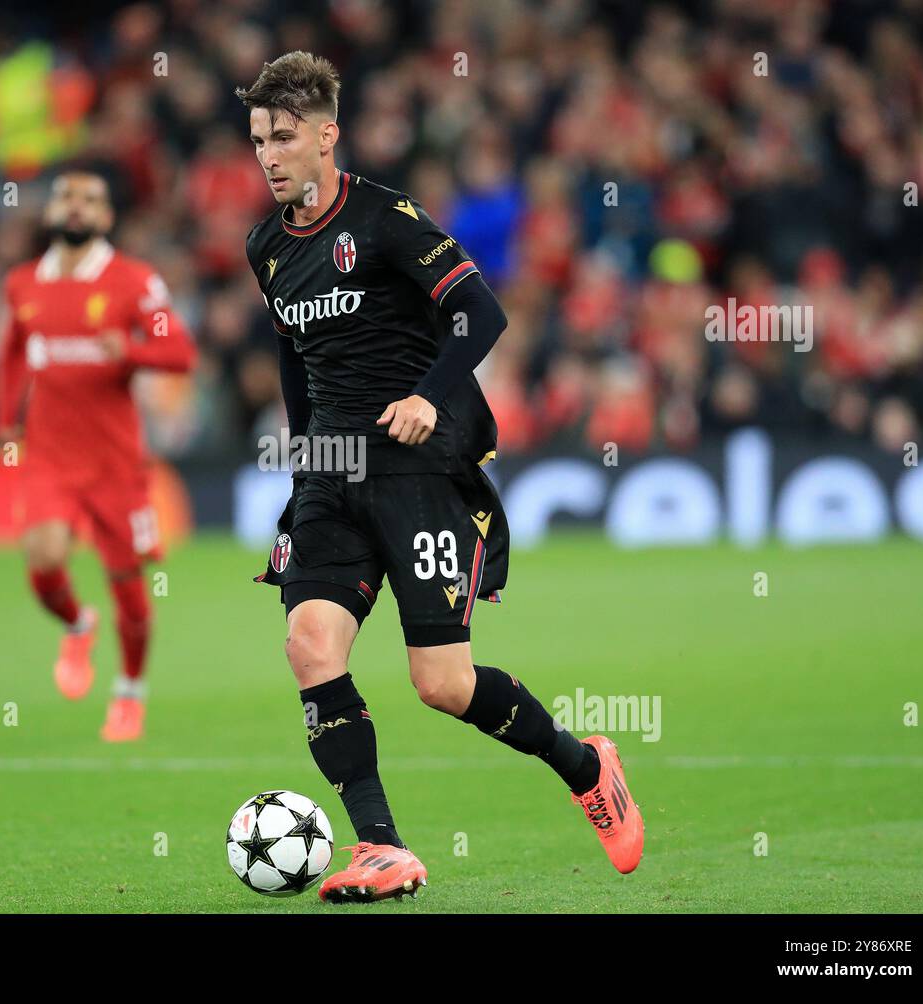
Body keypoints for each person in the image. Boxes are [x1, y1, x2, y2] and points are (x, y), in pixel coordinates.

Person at [238, 52, 643, 902]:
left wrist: (427, 397)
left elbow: (479, 311)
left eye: (282, 138)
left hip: (415, 471)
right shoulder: (267, 247)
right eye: (258, 141)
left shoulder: (387, 218)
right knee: (310, 646)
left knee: (443, 685)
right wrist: (303, 454)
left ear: (325, 136)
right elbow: (293, 359)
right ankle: (380, 847)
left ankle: (586, 766)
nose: (268, 156)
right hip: (331, 477)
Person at [0, 170, 195, 741]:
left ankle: (129, 691)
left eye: (90, 199)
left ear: (106, 217)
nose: (76, 207)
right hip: (50, 454)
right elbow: (11, 351)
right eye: (66, 196)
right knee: (43, 557)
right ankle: (78, 623)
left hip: (114, 462)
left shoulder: (134, 282)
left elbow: (178, 350)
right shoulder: (23, 284)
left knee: (128, 585)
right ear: (51, 210)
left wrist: (130, 350)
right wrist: (5, 417)